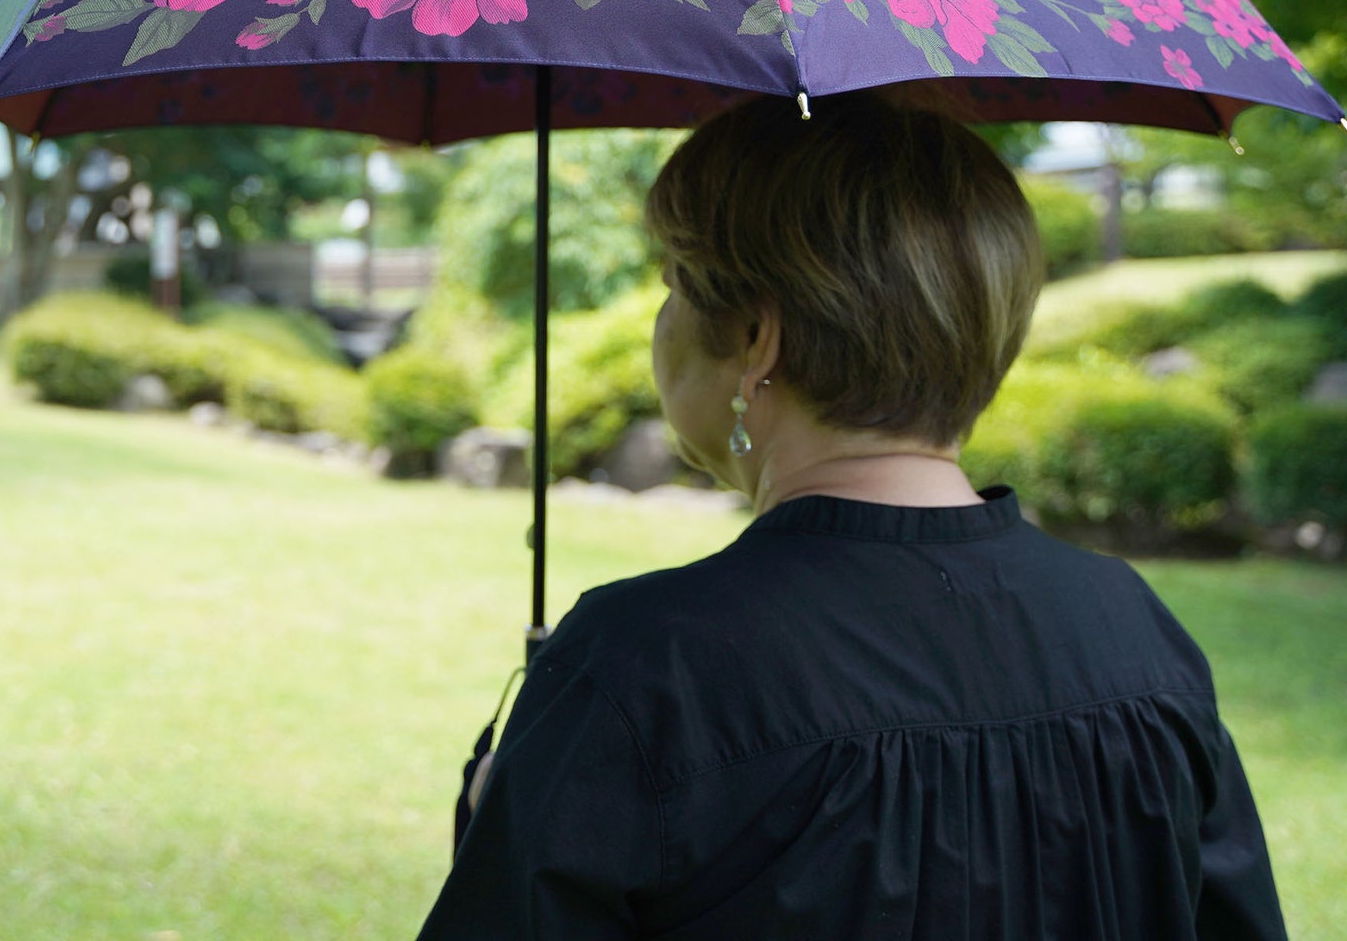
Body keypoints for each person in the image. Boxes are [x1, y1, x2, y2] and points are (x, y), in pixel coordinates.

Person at [416, 91, 1287, 940]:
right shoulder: (1139, 635)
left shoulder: (644, 666)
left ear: (755, 340)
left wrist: (515, 820)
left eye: (673, 284)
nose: (663, 319)